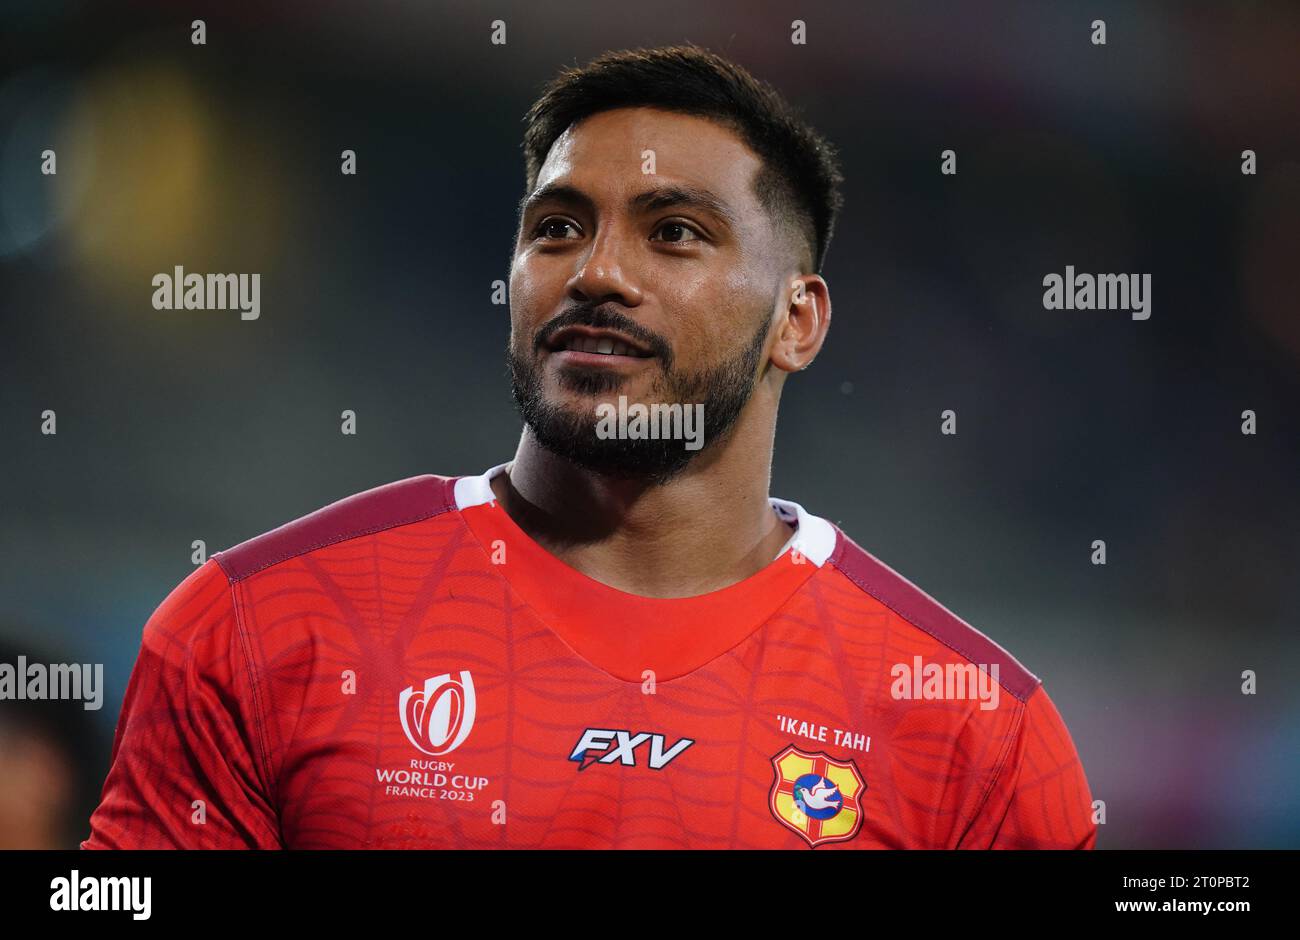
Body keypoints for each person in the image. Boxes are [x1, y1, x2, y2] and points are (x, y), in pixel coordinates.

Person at [84, 44, 1095, 849]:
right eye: (558, 227)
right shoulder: (257, 629)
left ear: (798, 320)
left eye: (676, 233)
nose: (598, 272)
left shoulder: (978, 733)